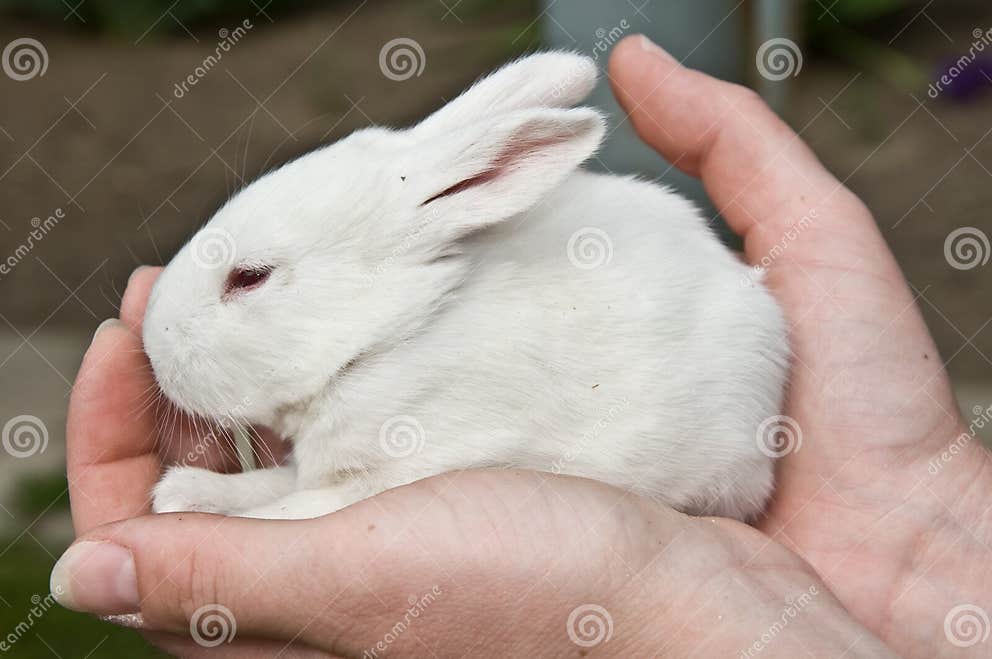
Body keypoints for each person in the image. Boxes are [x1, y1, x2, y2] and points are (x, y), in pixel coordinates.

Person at [51, 36, 991, 657]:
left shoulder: (441, 363)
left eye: (248, 281)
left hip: (706, 449)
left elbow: (374, 496)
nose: (174, 331)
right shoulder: (388, 353)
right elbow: (361, 492)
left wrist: (243, 520)